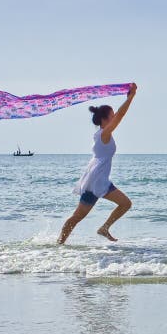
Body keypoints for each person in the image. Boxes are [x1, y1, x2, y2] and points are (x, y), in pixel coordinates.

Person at [57, 83, 137, 244]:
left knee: (80, 215)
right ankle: (62, 242)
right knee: (81, 215)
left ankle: (100, 230)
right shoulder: (104, 134)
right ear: (104, 119)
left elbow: (118, 116)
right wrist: (131, 97)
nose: (115, 117)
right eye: (112, 116)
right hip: (97, 180)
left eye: (114, 115)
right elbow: (121, 116)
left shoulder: (101, 134)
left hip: (97, 179)